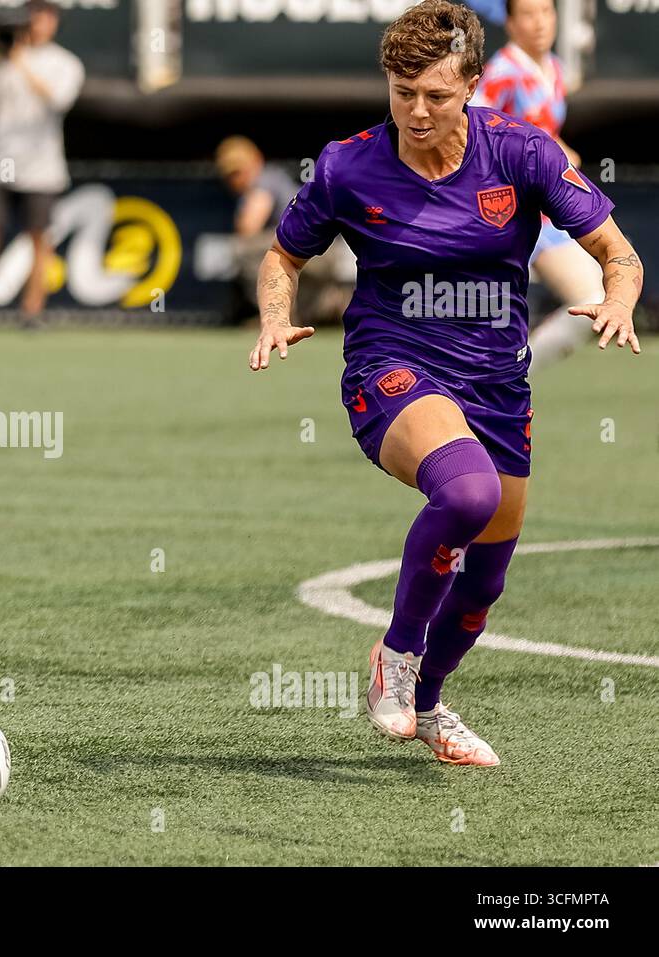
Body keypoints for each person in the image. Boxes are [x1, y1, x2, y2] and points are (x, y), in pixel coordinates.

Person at [249, 1, 642, 765]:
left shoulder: (520, 151)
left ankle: (429, 703)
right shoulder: (347, 164)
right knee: (467, 494)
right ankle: (394, 659)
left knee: (485, 582)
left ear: (469, 85)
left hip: (497, 381)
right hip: (391, 366)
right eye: (402, 93)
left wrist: (620, 296)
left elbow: (616, 252)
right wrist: (274, 313)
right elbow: (282, 258)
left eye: (435, 94)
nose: (417, 111)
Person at [473, 0, 601, 373]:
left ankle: (511, 377)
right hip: (505, 214)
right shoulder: (501, 73)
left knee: (594, 300)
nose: (540, 23)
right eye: (528, 14)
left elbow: (542, 131)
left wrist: (558, 149)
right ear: (510, 23)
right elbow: (472, 130)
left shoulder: (555, 70)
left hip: (544, 213)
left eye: (546, 12)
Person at [0, 0, 84, 322]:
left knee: (40, 241)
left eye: (46, 16)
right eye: (33, 15)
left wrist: (20, 60)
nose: (38, 22)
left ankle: (32, 313)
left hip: (42, 169)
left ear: (55, 22)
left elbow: (58, 100)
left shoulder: (65, 63)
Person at [218, 135, 351, 324]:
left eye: (239, 171)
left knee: (244, 249)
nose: (235, 179)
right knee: (279, 258)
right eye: (230, 174)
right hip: (325, 252)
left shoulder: (265, 179)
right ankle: (336, 305)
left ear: (256, 160)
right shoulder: (273, 178)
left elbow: (248, 228)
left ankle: (277, 318)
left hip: (320, 253)